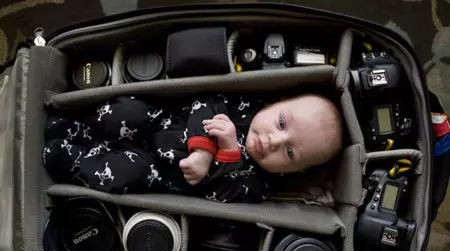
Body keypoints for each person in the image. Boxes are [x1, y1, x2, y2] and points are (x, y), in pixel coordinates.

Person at [42, 93, 343, 203]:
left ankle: (65, 157)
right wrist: (204, 150)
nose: (274, 142)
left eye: (289, 153)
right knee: (127, 112)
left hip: (156, 173)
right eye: (281, 123)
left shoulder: (260, 185)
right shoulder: (244, 107)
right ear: (276, 103)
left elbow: (215, 194)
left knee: (122, 174)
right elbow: (205, 102)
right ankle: (72, 125)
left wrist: (228, 153)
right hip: (160, 124)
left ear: (296, 170)